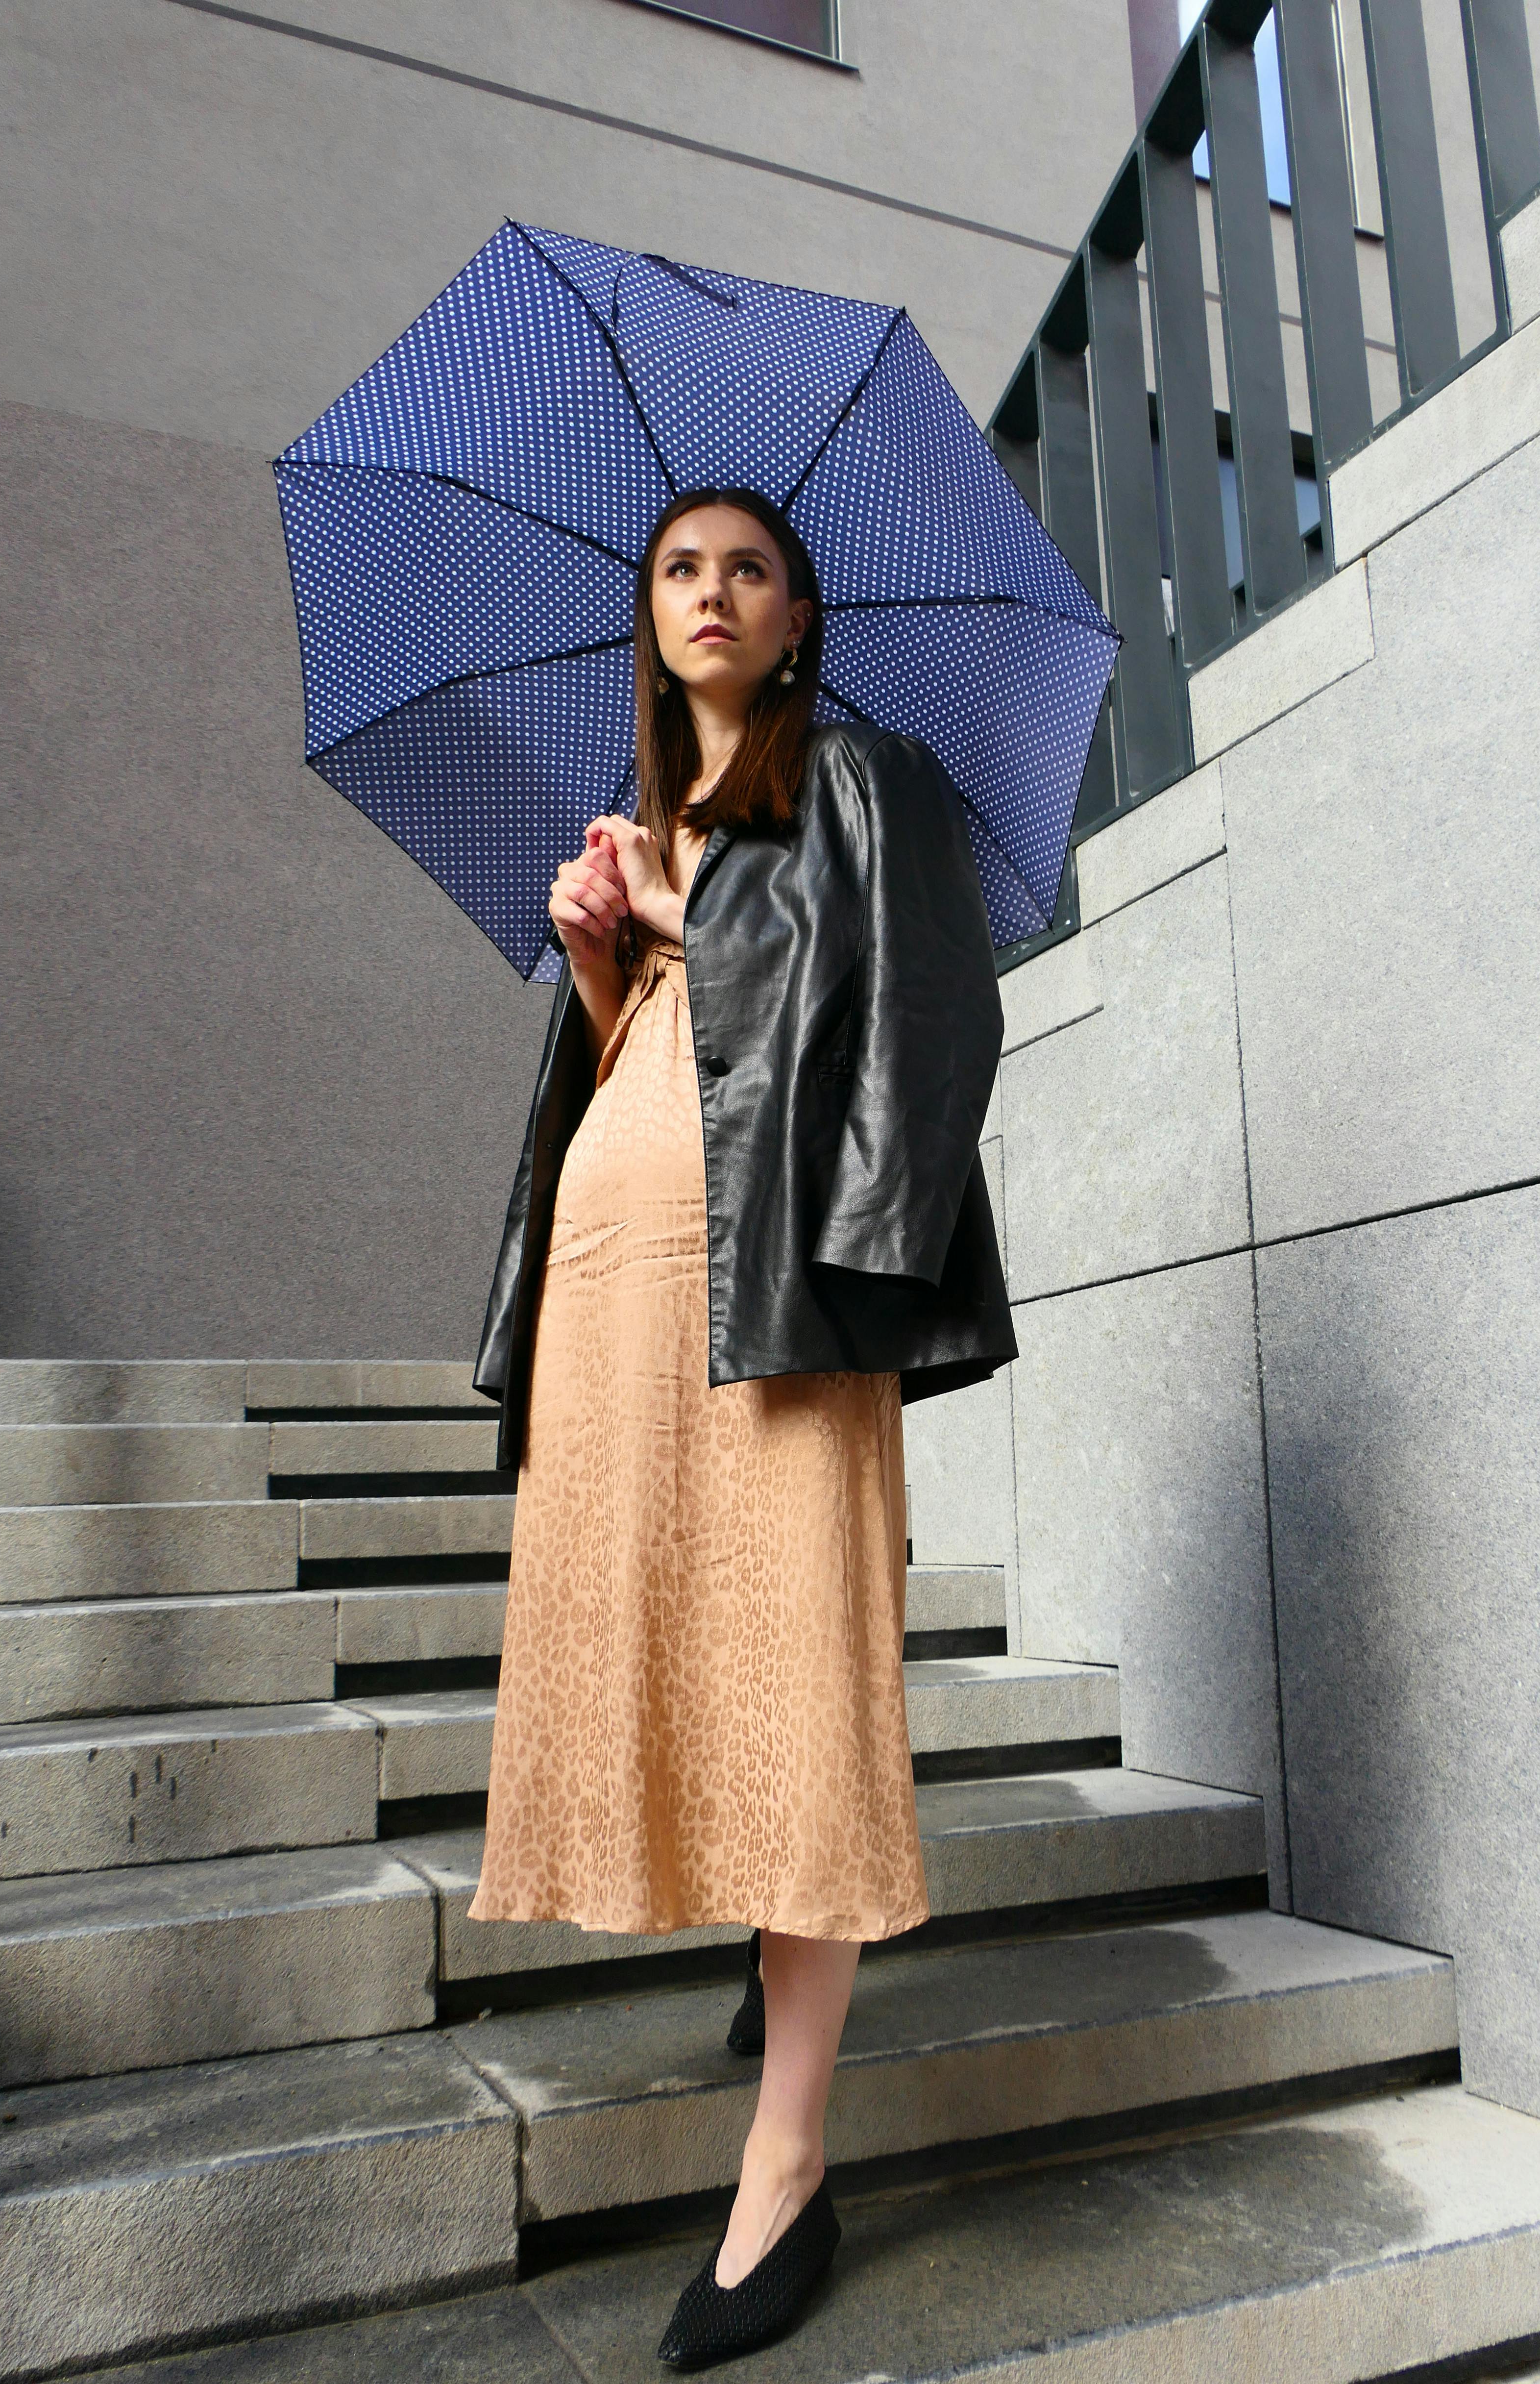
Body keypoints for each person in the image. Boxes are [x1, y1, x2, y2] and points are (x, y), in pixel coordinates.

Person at [467, 484, 1016, 2369]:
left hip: (776, 1282)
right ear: (652, 617)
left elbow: (932, 1018)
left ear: (799, 617)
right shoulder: (649, 821)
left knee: (792, 1665)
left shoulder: (863, 775)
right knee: (681, 1632)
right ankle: (761, 1951)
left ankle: (786, 2174)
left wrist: (698, 908)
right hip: (618, 1277)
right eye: (682, 571)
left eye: (749, 571)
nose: (712, 594)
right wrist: (606, 957)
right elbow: (655, 1055)